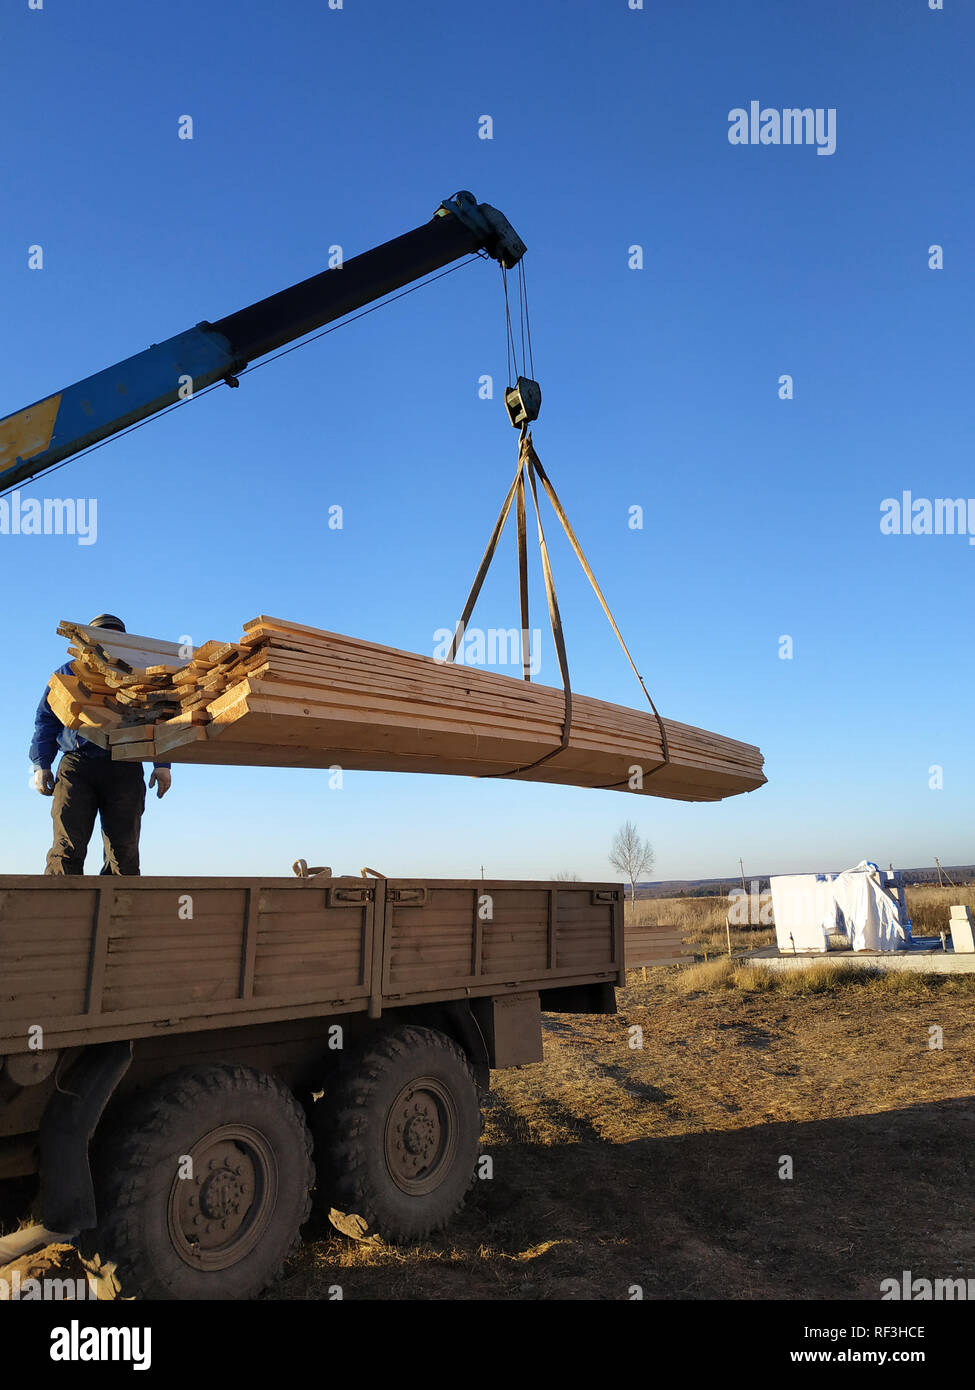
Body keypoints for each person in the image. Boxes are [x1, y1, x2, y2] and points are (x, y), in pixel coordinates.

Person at [29, 614, 172, 875]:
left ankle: (117, 914)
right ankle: (60, 912)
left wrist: (162, 764)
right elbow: (47, 720)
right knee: (66, 848)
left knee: (124, 853)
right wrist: (41, 764)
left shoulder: (139, 676)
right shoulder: (67, 672)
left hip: (125, 763)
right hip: (77, 765)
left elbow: (158, 719)